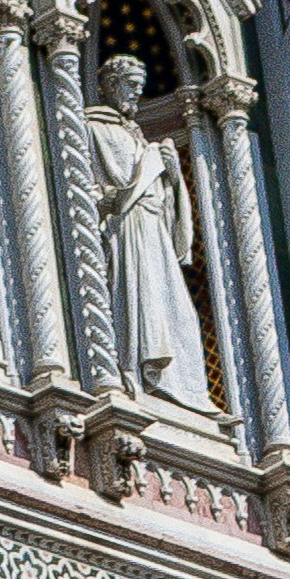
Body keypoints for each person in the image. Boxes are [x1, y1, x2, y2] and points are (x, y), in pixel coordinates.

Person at [85, 46, 215, 401]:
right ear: (109, 86)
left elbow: (163, 198)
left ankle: (182, 389)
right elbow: (91, 191)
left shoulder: (138, 135)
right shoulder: (93, 126)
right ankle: (135, 373)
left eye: (139, 86)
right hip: (128, 230)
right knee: (139, 305)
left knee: (180, 316)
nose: (136, 93)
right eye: (129, 84)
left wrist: (172, 175)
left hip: (154, 228)